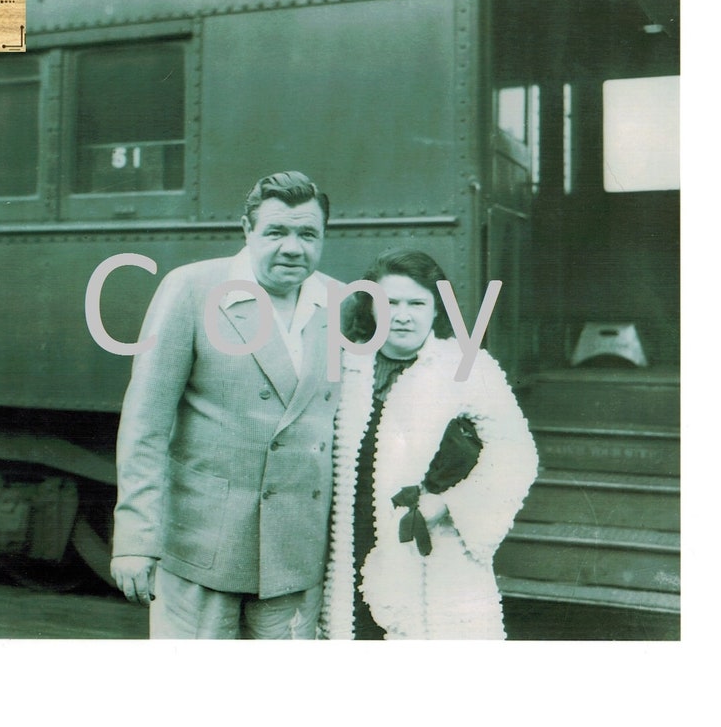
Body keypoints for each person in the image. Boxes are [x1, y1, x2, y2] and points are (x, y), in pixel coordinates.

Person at [111, 171, 340, 639]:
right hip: (204, 548)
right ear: (246, 230)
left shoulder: (337, 302)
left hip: (295, 559)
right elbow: (145, 424)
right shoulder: (193, 289)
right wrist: (136, 540)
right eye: (276, 231)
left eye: (308, 233)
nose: (294, 247)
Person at [319, 248, 538, 639]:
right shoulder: (345, 366)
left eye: (417, 303)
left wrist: (449, 505)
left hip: (433, 549)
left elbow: (516, 455)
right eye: (389, 303)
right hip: (353, 544)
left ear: (437, 309)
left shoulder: (467, 366)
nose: (402, 315)